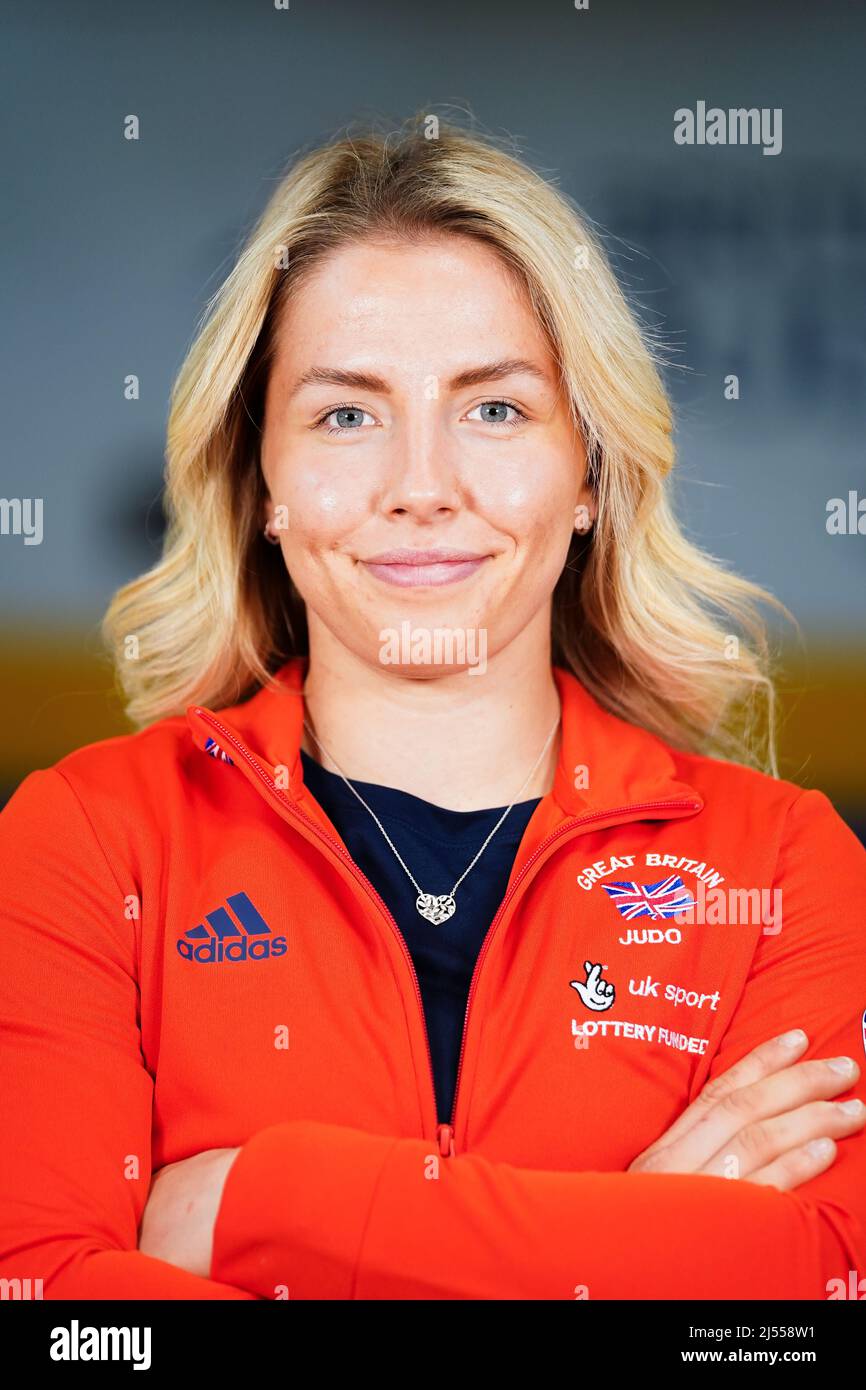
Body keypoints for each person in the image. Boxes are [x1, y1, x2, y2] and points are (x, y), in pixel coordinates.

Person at [1, 118, 865, 1301]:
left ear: (587, 475)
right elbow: (52, 1307)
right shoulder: (86, 844)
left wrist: (263, 1205)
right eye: (345, 414)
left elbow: (813, 1294)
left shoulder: (780, 867)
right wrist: (640, 1244)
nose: (420, 487)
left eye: (494, 409)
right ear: (262, 484)